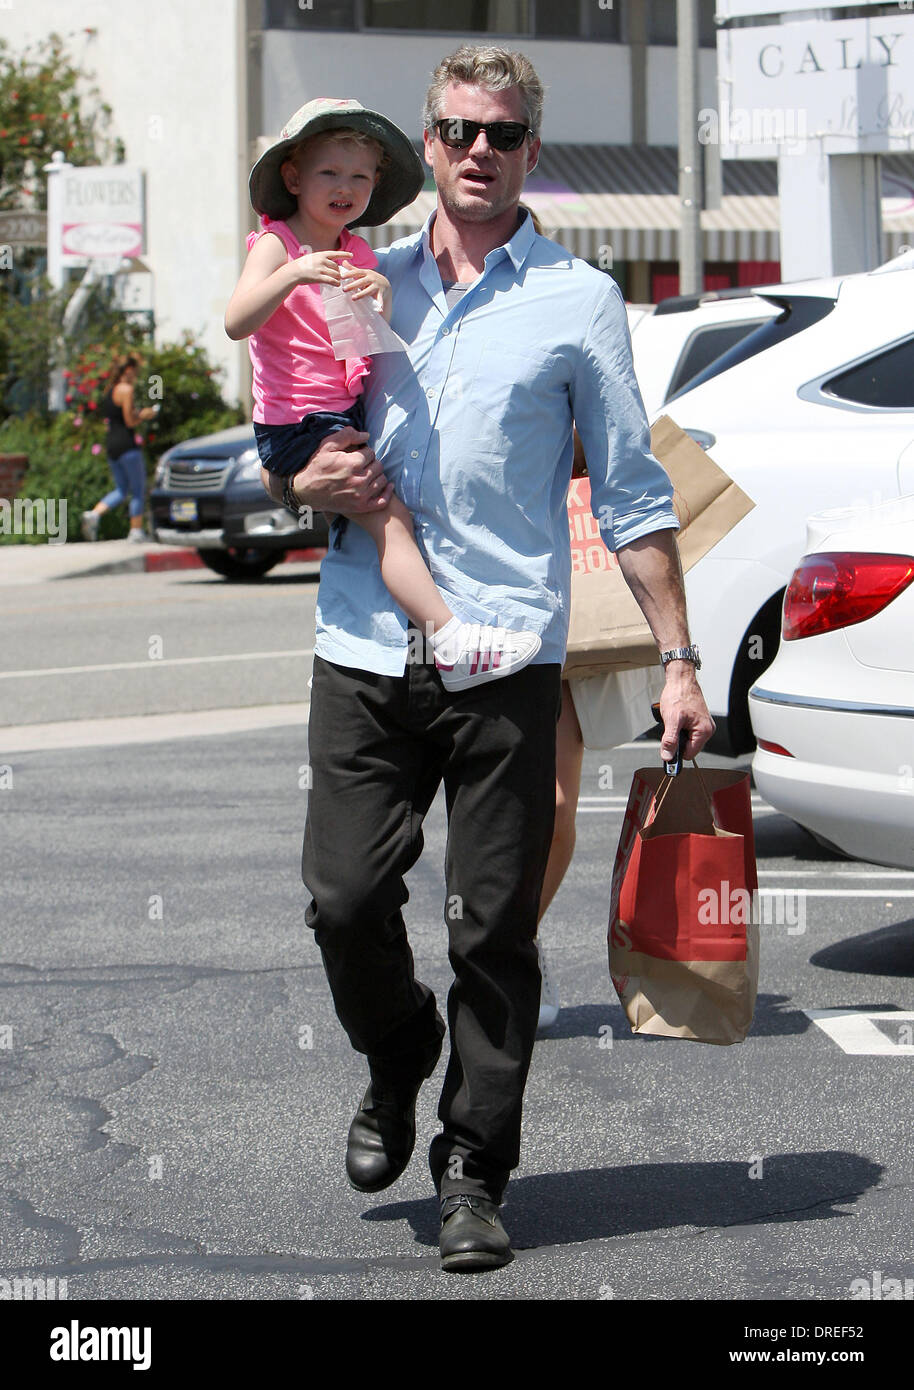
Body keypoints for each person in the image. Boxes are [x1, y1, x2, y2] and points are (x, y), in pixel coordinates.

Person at [262, 45, 714, 1273]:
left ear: (529, 152)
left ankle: (472, 1166)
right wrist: (295, 479)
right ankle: (397, 1047)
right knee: (346, 899)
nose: (477, 150)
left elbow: (628, 492)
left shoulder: (576, 301)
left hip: (508, 653)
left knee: (491, 924)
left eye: (501, 135)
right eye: (458, 128)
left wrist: (677, 657)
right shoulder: (359, 277)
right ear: (430, 136)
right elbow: (293, 420)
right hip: (363, 644)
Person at [227, 98, 541, 690]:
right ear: (293, 178)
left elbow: (366, 349)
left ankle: (437, 633)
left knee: (387, 516)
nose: (344, 187)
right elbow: (237, 321)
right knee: (389, 519)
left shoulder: (361, 253)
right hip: (296, 421)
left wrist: (381, 300)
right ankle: (448, 637)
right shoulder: (277, 245)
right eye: (328, 173)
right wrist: (293, 272)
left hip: (338, 412)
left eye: (359, 177)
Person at [80, 355, 157, 543]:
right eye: (134, 370)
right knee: (138, 489)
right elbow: (130, 421)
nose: (136, 374)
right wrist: (145, 415)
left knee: (122, 490)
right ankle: (136, 531)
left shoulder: (109, 390)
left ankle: (94, 515)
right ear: (127, 370)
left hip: (112, 445)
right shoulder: (126, 390)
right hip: (127, 445)